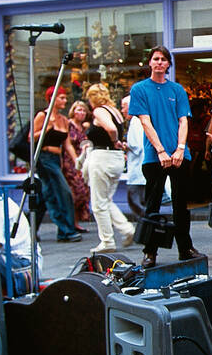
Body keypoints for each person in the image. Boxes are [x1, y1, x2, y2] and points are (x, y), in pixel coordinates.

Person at [130, 46, 201, 267]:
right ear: (150, 63)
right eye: (156, 59)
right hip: (154, 156)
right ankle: (149, 252)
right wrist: (160, 150)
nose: (159, 63)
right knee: (152, 204)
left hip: (179, 154)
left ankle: (185, 248)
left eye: (163, 59)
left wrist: (180, 148)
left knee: (181, 205)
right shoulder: (140, 89)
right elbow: (145, 121)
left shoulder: (177, 90)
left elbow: (183, 121)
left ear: (168, 64)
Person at [84, 83, 135, 254]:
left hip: (102, 157)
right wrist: (116, 143)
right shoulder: (114, 111)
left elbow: (111, 129)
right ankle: (126, 229)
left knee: (98, 203)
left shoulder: (99, 111)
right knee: (106, 199)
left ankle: (107, 240)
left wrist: (114, 140)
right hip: (116, 158)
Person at [31, 85, 83, 243]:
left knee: (46, 195)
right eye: (61, 97)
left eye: (65, 97)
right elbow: (31, 137)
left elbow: (67, 145)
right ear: (52, 98)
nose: (65, 100)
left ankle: (30, 228)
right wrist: (47, 128)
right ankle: (66, 230)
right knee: (62, 192)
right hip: (44, 158)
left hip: (56, 159)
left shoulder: (64, 120)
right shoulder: (43, 116)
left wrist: (77, 163)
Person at [64, 100, 93, 225]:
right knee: (76, 192)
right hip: (71, 162)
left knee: (84, 192)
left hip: (84, 162)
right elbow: (68, 144)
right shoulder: (68, 124)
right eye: (79, 110)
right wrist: (76, 161)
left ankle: (76, 222)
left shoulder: (84, 127)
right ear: (73, 111)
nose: (81, 113)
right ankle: (72, 222)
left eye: (83, 110)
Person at [121, 95, 147, 222]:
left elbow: (137, 146)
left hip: (138, 169)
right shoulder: (139, 120)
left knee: (136, 200)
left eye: (124, 107)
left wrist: (126, 146)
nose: (122, 110)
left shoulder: (136, 121)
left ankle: (147, 226)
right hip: (139, 168)